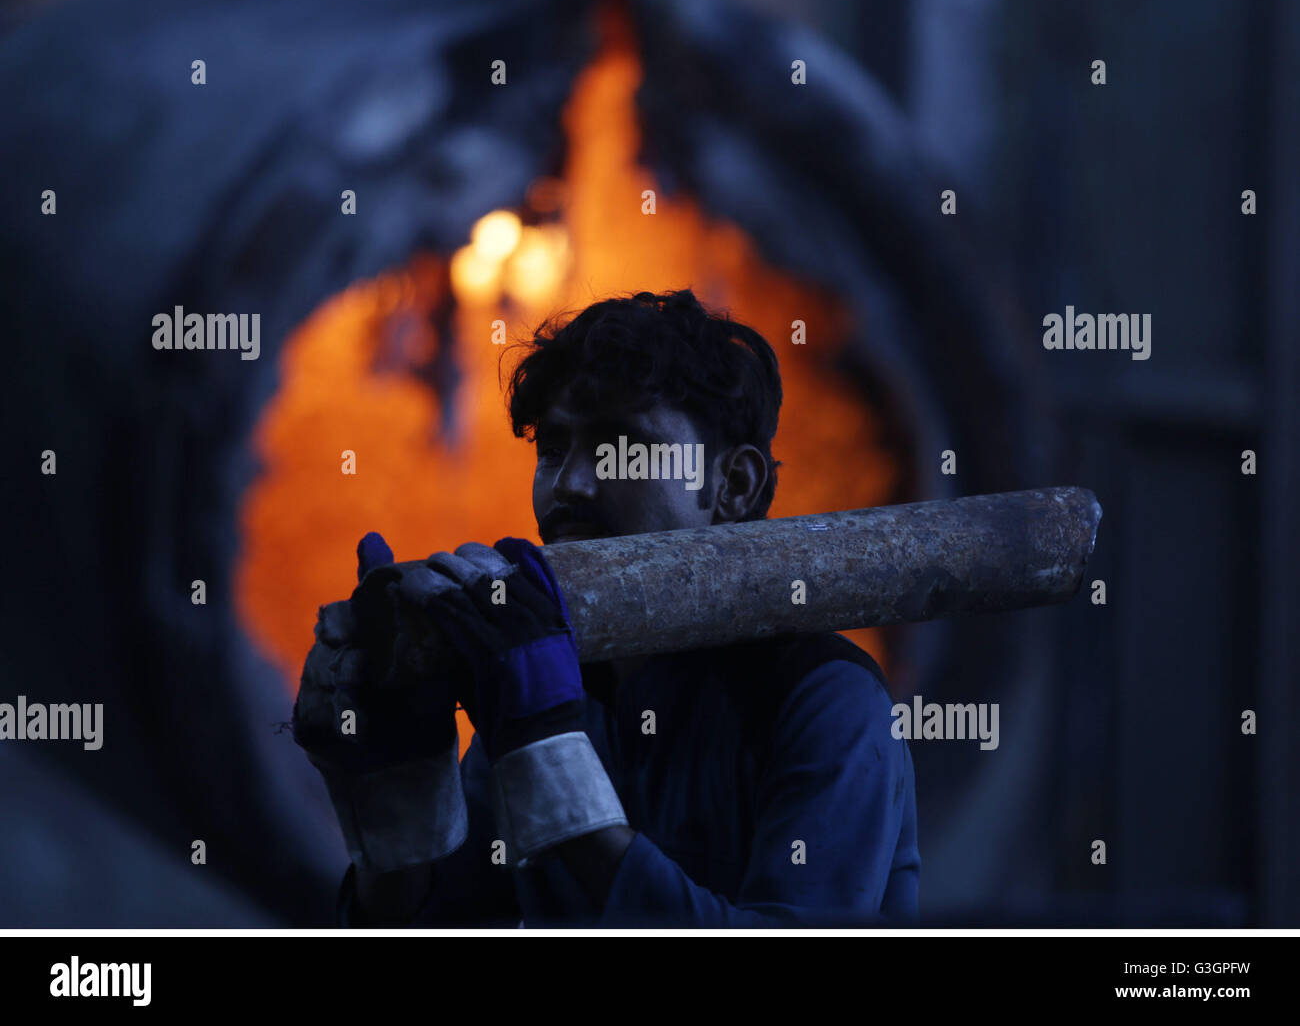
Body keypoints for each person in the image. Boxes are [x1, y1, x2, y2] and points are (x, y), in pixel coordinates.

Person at [292, 289, 920, 927]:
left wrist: (547, 751)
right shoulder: (553, 687)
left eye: (620, 449)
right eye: (553, 449)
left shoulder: (827, 701)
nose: (569, 484)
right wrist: (399, 806)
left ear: (732, 486)